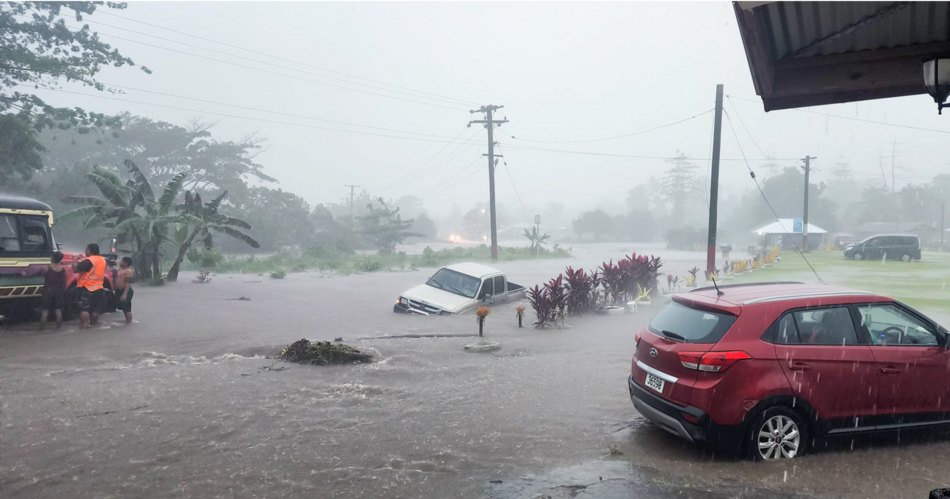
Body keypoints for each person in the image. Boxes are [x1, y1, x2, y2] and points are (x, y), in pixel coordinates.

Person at [73, 243, 106, 328]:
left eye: (86, 249)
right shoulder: (102, 260)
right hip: (99, 287)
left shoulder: (89, 260)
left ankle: (84, 326)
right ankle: (93, 326)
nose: (85, 251)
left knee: (84, 308)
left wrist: (75, 259)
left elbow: (75, 269)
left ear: (90, 250)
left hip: (87, 288)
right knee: (95, 309)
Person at [39, 251, 66, 329]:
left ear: (53, 258)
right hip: (59, 292)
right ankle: (58, 329)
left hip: (48, 291)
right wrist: (62, 292)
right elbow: (64, 282)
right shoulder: (63, 269)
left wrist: (25, 274)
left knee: (45, 311)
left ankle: (41, 330)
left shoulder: (46, 268)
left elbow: (34, 274)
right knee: (58, 310)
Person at [116, 256, 134, 324]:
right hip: (120, 290)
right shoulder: (121, 270)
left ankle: (129, 322)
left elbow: (128, 283)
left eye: (121, 261)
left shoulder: (128, 271)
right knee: (123, 307)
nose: (120, 262)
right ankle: (127, 322)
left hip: (126, 290)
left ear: (125, 263)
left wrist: (125, 294)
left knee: (127, 308)